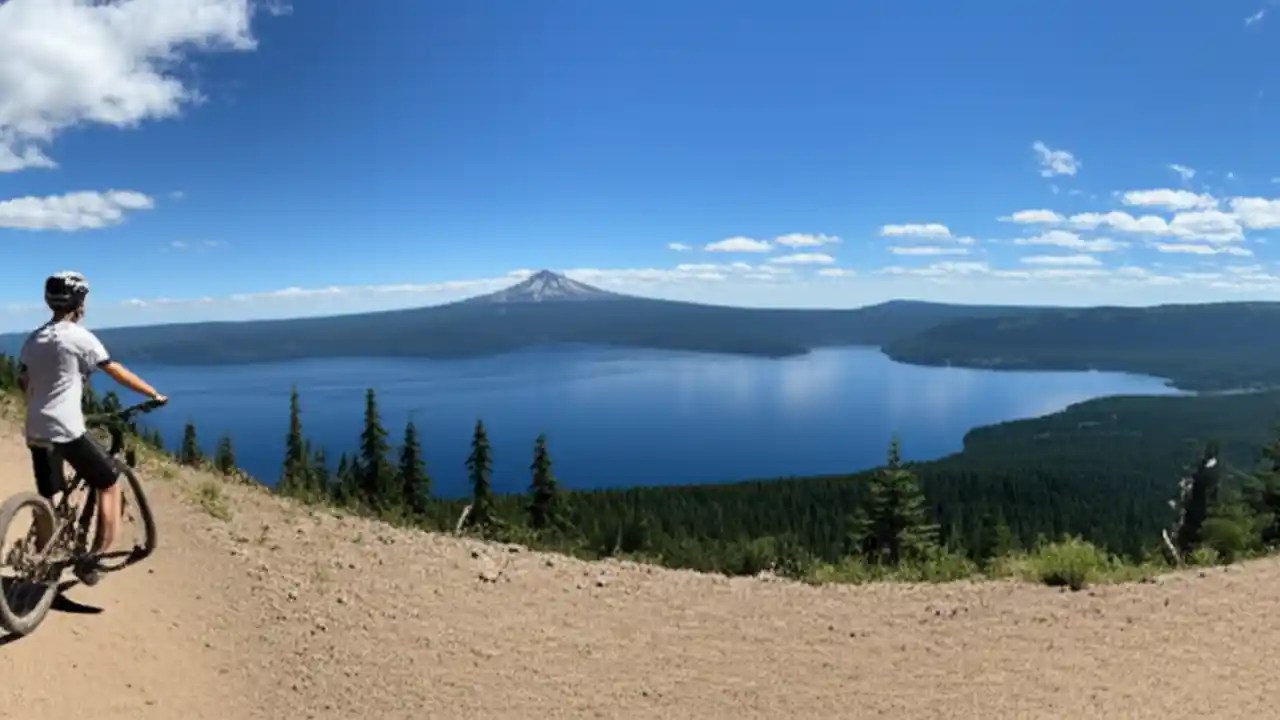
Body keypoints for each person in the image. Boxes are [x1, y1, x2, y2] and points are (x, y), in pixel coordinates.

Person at [16, 271, 167, 586]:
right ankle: (94, 559)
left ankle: (43, 563)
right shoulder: (78, 336)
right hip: (66, 428)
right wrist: (152, 393)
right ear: (78, 302)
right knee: (109, 482)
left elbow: (25, 381)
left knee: (49, 496)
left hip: (35, 426)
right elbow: (114, 370)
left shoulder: (34, 339)